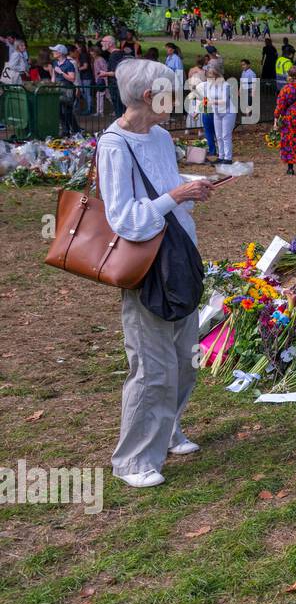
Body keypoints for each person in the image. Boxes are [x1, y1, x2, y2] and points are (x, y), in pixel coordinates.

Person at [99, 58, 215, 488]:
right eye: (172, 93)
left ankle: (166, 431)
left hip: (178, 259)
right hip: (147, 268)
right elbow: (125, 218)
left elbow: (164, 184)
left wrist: (193, 184)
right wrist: (176, 195)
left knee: (184, 360)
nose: (181, 100)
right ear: (149, 97)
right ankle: (132, 460)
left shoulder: (162, 135)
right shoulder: (114, 145)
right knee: (151, 367)